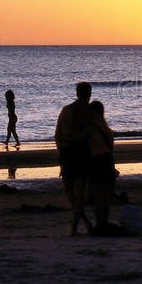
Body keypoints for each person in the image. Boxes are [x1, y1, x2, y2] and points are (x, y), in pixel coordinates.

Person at [55, 82, 95, 235]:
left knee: (72, 192)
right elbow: (91, 136)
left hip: (68, 153)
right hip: (81, 154)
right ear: (88, 94)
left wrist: (61, 154)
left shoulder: (67, 110)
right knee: (77, 192)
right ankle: (81, 223)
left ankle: (78, 224)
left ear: (77, 93)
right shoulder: (90, 113)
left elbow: (58, 135)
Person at [88, 100, 117, 229]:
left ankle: (100, 223)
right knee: (106, 195)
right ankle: (104, 221)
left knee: (98, 194)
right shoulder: (107, 130)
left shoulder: (91, 128)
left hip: (97, 161)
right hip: (108, 161)